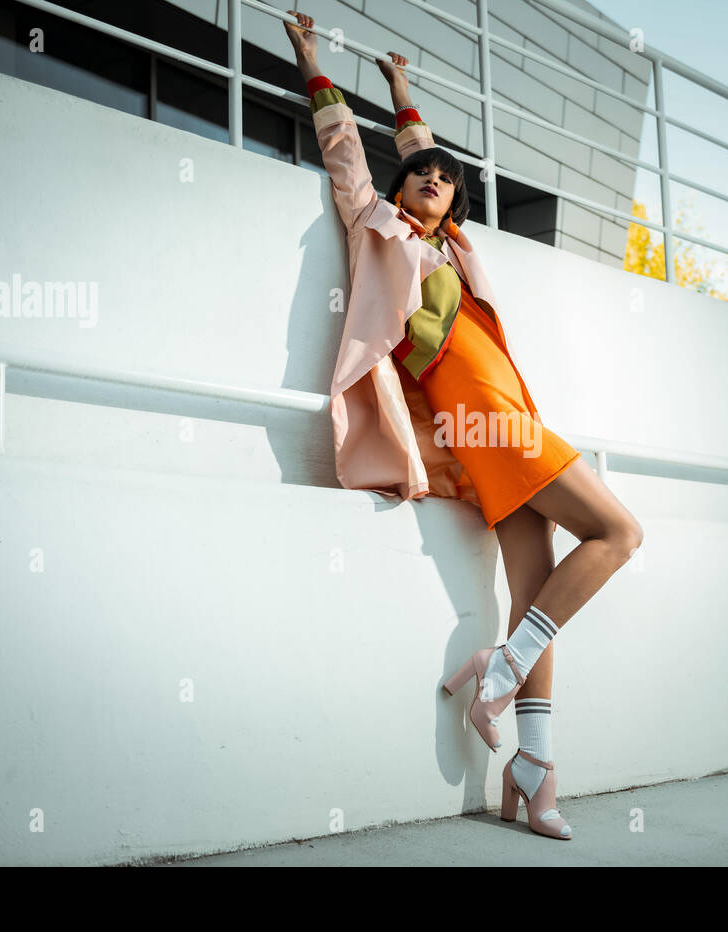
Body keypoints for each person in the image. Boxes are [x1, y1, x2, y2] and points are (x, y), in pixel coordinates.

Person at [285, 10, 644, 841]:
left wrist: (405, 88)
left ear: (455, 200)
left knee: (532, 585)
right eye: (421, 177)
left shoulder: (458, 249)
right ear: (399, 190)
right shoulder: (376, 226)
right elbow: (346, 145)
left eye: (445, 180)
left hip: (510, 412)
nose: (433, 181)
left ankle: (535, 767)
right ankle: (501, 668)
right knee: (620, 533)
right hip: (479, 421)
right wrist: (310, 57)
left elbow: (424, 152)